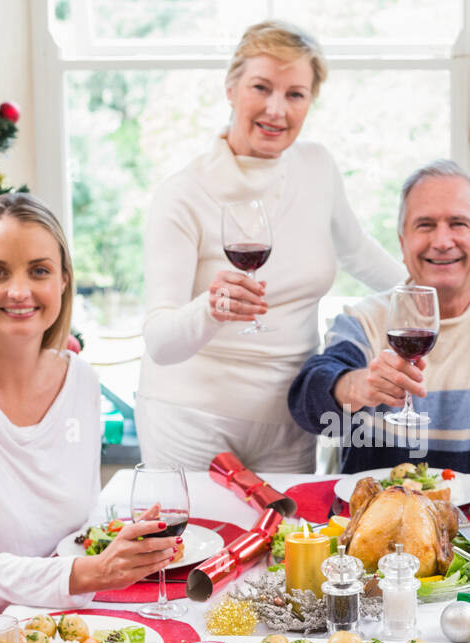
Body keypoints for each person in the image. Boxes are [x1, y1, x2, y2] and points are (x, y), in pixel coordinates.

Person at [0, 194, 178, 637]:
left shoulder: (80, 380)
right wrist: (85, 574)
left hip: (69, 632)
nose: (18, 290)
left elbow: (78, 530)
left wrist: (123, 542)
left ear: (64, 281)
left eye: (39, 271)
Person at [138, 20, 404, 472]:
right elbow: (161, 342)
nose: (276, 110)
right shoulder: (182, 193)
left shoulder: (317, 168)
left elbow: (358, 253)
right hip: (189, 420)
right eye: (261, 87)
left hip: (287, 419)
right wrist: (211, 308)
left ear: (310, 102)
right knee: (195, 544)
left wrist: (441, 298)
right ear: (231, 88)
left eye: (295, 94)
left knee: (287, 545)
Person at [288, 160, 470, 474]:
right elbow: (306, 403)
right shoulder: (365, 319)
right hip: (386, 519)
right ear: (402, 243)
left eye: (458, 223)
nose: (442, 242)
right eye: (425, 225)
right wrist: (355, 386)